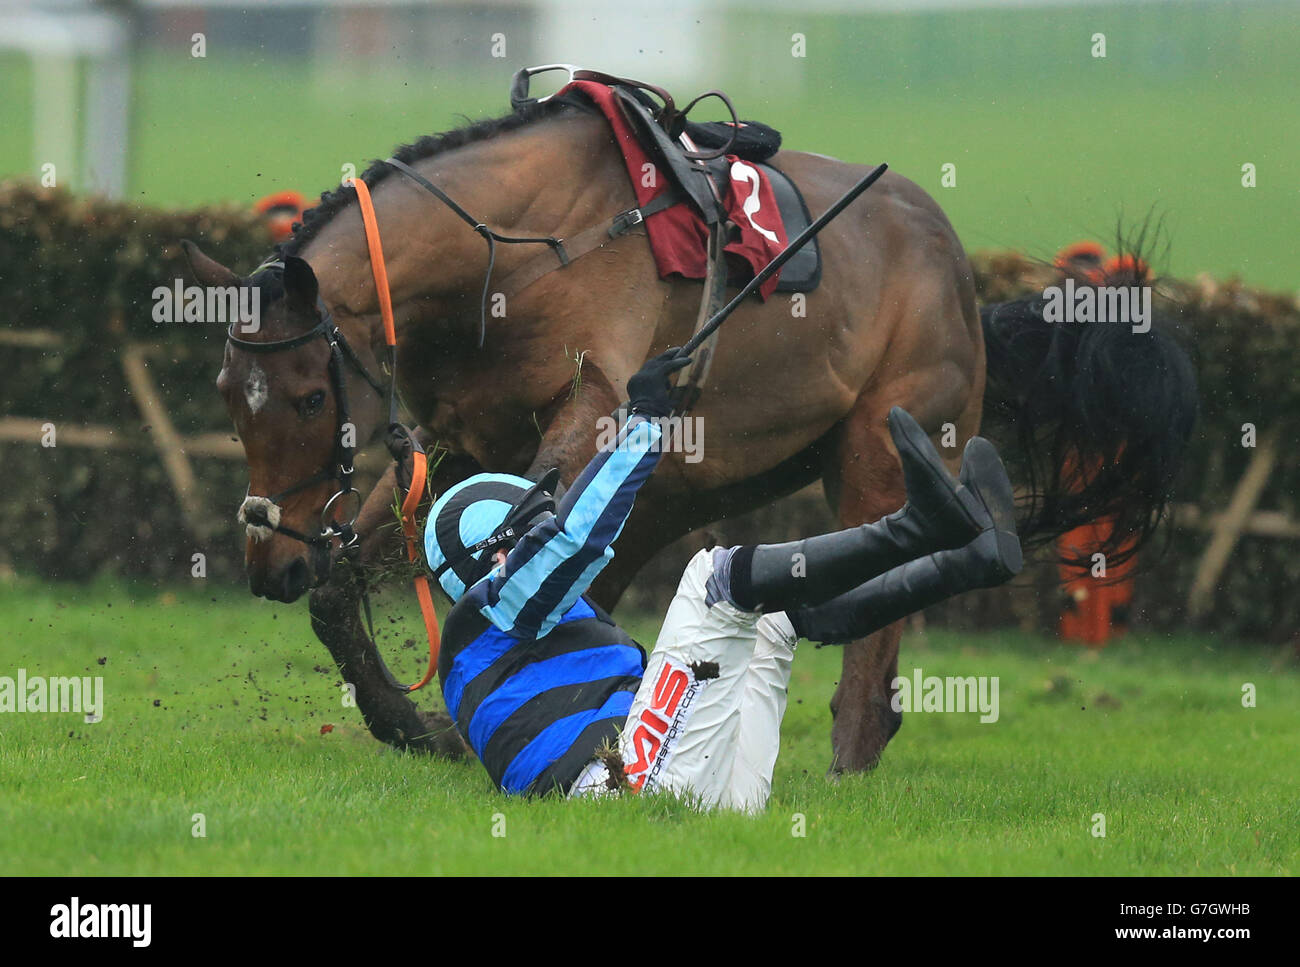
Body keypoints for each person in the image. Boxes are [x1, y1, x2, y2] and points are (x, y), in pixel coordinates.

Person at [425, 348, 1022, 811]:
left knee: (773, 620)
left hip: (690, 792)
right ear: (492, 554)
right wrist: (646, 420)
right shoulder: (487, 616)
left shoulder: (526, 629)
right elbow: (577, 539)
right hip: (632, 790)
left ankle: (968, 559)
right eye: (527, 531)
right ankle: (919, 527)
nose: (545, 528)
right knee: (710, 578)